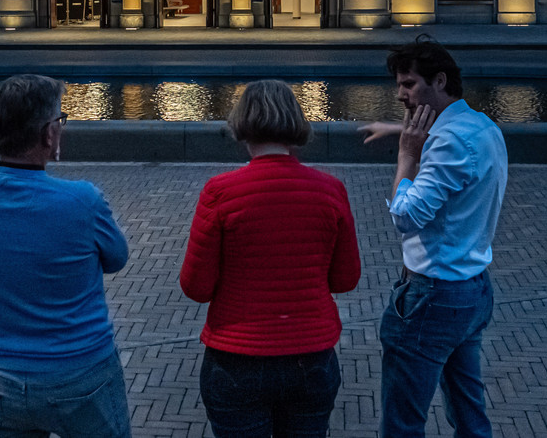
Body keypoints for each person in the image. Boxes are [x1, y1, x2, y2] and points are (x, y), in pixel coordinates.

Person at [0, 74, 131, 438]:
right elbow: (117, 258)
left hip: (1, 378)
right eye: (60, 120)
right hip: (83, 375)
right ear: (48, 134)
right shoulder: (82, 200)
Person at [181, 80, 362, 438]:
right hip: (312, 356)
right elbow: (345, 279)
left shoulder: (220, 192)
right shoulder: (330, 189)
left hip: (236, 358)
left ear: (242, 122)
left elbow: (196, 287)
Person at [360, 38, 508, 438]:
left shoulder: (445, 143)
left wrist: (406, 154)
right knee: (469, 411)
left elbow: (407, 217)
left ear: (439, 81)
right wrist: (398, 129)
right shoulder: (484, 126)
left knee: (403, 422)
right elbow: (452, 148)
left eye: (409, 84)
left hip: (432, 296)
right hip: (474, 290)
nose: (400, 95)